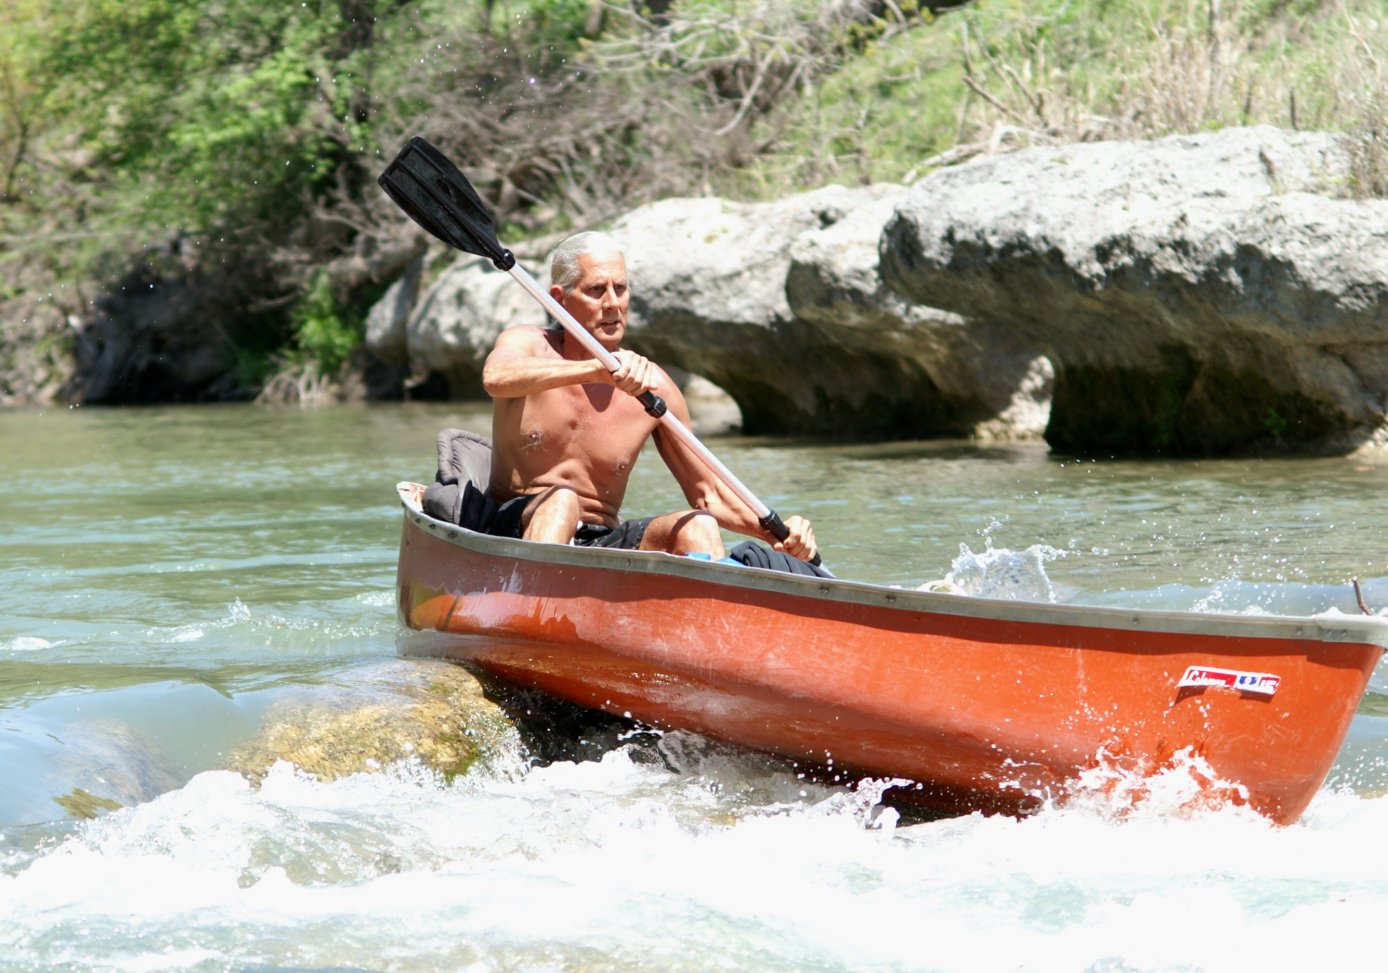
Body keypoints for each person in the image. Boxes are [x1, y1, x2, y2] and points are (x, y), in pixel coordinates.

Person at [479, 231, 817, 563]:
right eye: (596, 290)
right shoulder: (528, 343)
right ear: (558, 299)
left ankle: (706, 613)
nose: (612, 303)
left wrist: (781, 535)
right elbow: (496, 379)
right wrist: (595, 370)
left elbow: (709, 494)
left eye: (620, 288)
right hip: (512, 528)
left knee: (699, 525)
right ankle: (535, 606)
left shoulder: (652, 385)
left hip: (600, 541)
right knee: (562, 502)